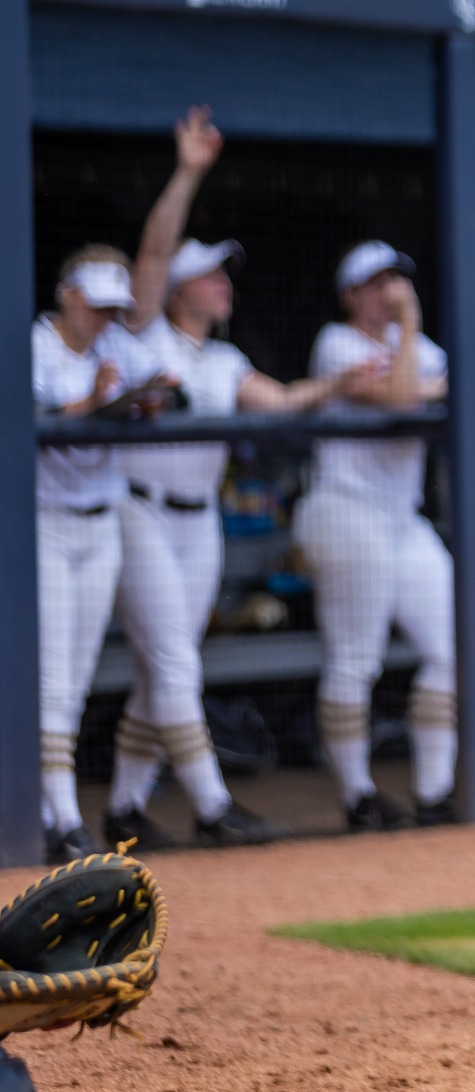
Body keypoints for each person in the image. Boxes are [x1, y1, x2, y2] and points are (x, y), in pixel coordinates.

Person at [106, 106, 352, 852]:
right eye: (208, 274)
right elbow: (151, 255)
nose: (222, 284)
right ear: (180, 288)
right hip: (138, 511)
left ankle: (122, 804)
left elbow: (278, 401)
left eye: (221, 275)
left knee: (166, 667)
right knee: (174, 660)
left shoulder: (224, 360)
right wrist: (187, 172)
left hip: (197, 521)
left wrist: (340, 384)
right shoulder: (145, 333)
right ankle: (213, 805)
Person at [295, 241, 456, 831]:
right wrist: (408, 349)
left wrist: (406, 365)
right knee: (356, 658)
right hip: (345, 507)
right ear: (351, 295)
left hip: (402, 518)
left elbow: (426, 391)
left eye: (395, 278)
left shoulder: (420, 349)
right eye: (375, 282)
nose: (388, 290)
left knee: (452, 647)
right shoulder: (335, 342)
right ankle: (357, 795)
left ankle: (435, 791)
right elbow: (406, 398)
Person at [30, 248, 171, 862]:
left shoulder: (118, 344)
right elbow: (35, 415)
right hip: (46, 524)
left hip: (101, 523)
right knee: (53, 676)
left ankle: (58, 810)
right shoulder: (34, 342)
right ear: (67, 294)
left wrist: (143, 399)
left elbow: (165, 385)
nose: (105, 318)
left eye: (115, 308)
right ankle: (59, 814)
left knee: (79, 675)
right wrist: (91, 402)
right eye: (96, 305)